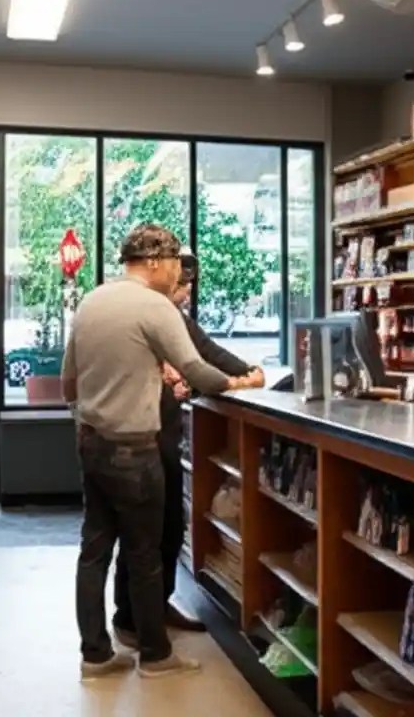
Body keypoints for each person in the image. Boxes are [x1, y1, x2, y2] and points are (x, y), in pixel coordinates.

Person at [62, 224, 262, 681]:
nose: (179, 273)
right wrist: (240, 382)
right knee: (145, 554)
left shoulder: (91, 301)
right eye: (175, 262)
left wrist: (90, 417)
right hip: (135, 449)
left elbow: (67, 384)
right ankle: (154, 655)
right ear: (154, 261)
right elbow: (199, 371)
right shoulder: (155, 306)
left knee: (93, 551)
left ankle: (95, 655)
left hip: (91, 444)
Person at [111, 247, 260, 647]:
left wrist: (246, 371)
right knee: (152, 531)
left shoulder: (156, 313)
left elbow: (206, 351)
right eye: (184, 284)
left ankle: (149, 610)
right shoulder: (158, 314)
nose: (188, 293)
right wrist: (240, 380)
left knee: (157, 530)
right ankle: (135, 619)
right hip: (148, 434)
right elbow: (202, 362)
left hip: (149, 432)